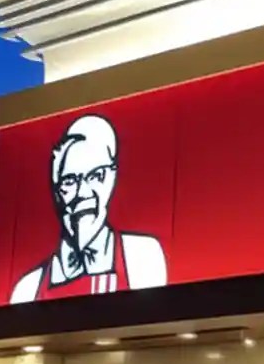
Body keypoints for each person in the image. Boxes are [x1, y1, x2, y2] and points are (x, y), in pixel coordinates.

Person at [10, 114, 166, 303]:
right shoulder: (27, 289)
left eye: (95, 176)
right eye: (69, 181)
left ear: (112, 179)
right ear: (56, 191)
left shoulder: (142, 256)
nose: (82, 192)